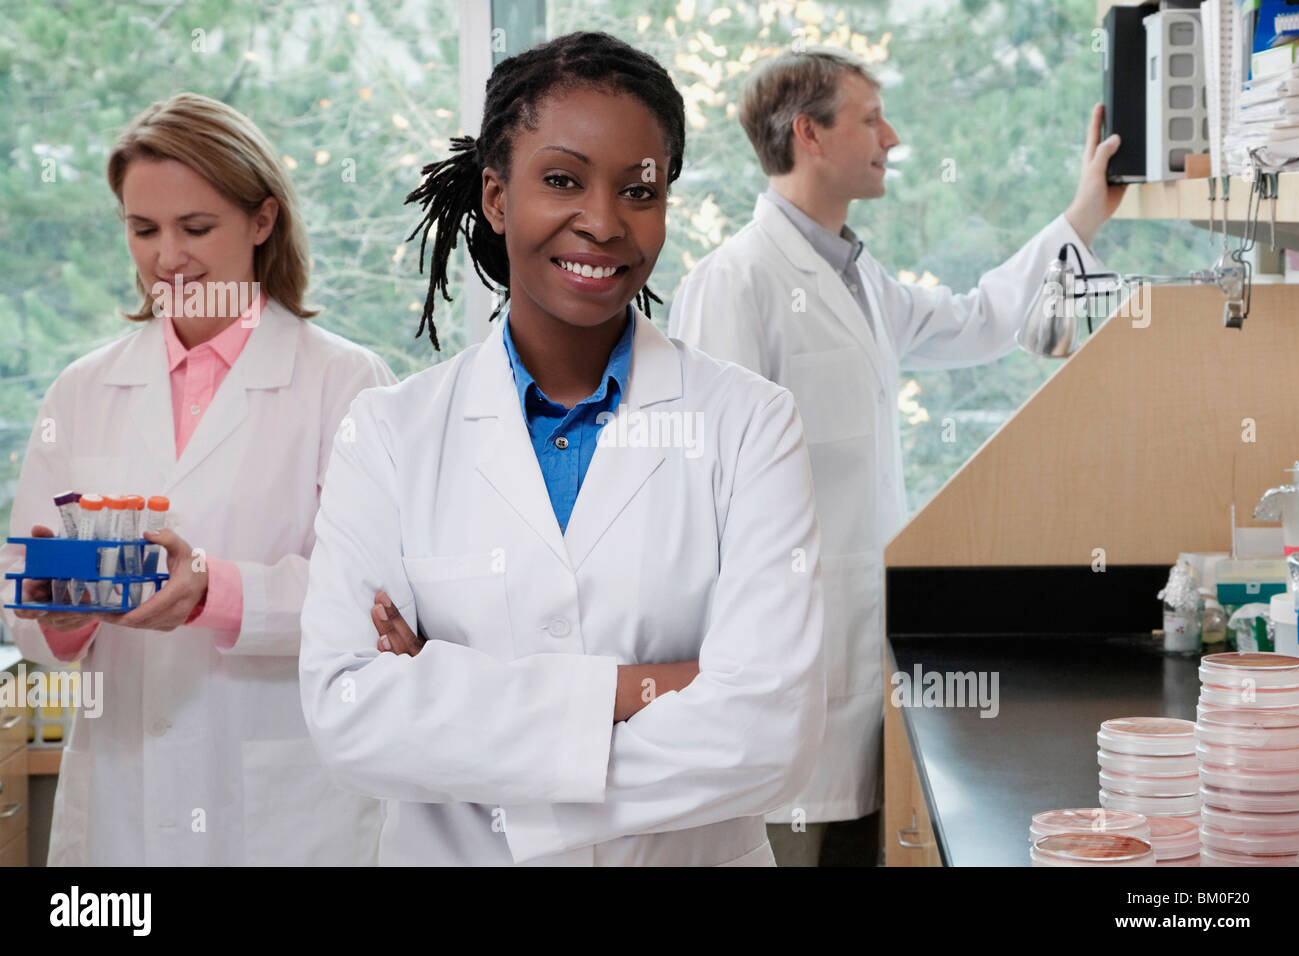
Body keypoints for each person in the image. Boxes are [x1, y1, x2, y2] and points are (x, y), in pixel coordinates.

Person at [299, 31, 826, 867]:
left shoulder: (750, 423)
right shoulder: (389, 434)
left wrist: (450, 687)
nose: (604, 221)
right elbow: (349, 712)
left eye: (639, 191)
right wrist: (654, 684)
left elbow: (771, 730)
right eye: (562, 180)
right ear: (498, 198)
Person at [669, 49, 1124, 866]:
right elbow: (705, 499)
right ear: (809, 133)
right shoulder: (736, 283)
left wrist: (1081, 217)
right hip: (782, 683)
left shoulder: (860, 280)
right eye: (871, 116)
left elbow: (983, 321)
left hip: (863, 661)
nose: (894, 135)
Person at [0, 93, 394, 865]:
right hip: (122, 800)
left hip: (284, 802)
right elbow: (25, 607)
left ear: (262, 220)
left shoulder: (344, 382)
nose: (167, 257)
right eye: (143, 229)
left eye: (197, 227)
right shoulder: (83, 392)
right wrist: (56, 613)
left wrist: (214, 590)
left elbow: (375, 602)